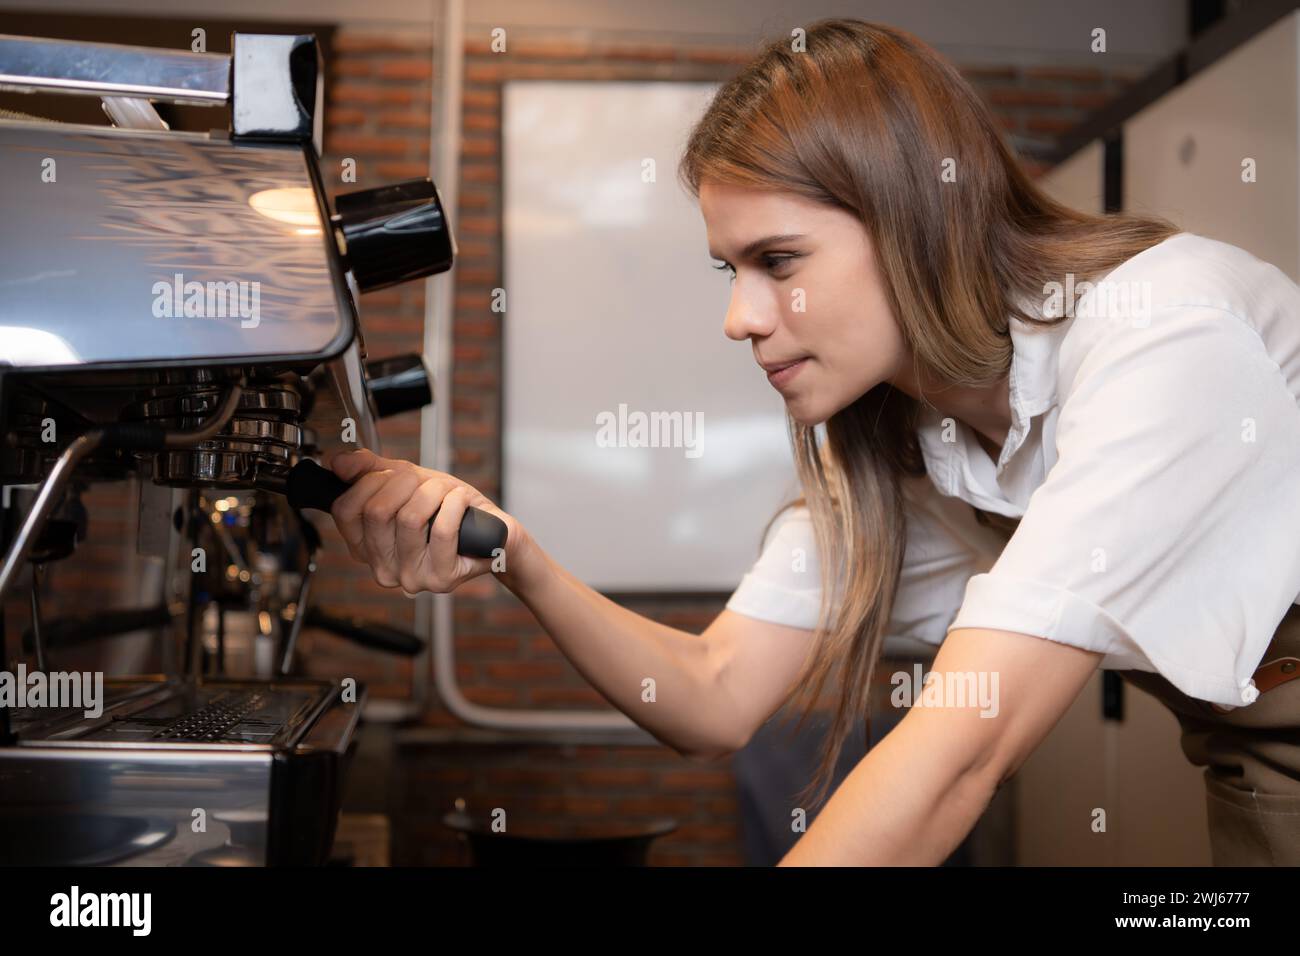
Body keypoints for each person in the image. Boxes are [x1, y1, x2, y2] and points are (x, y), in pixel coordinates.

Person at [325, 19, 1300, 865]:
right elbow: (710, 694)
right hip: (1251, 764)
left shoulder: (1163, 334)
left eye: (777, 260)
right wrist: (519, 556)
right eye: (728, 268)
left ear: (918, 219)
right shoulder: (913, 446)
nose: (739, 317)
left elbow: (960, 751)